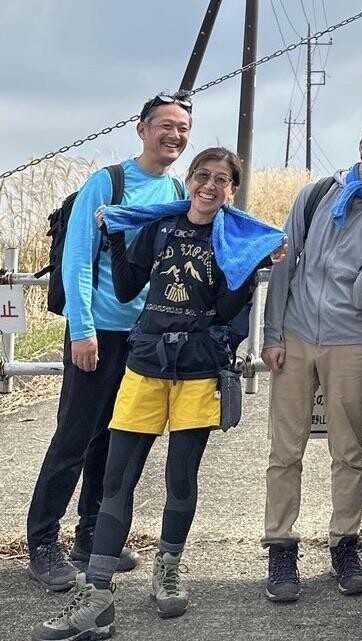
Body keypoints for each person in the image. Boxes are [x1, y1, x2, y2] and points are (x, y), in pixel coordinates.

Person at [32, 147, 286, 641]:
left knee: (181, 477)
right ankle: (98, 596)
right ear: (189, 180)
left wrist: (253, 268)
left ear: (233, 191)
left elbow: (228, 309)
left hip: (197, 370)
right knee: (116, 478)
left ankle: (168, 567)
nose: (210, 186)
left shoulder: (234, 241)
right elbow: (127, 290)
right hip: (145, 364)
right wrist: (116, 236)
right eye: (203, 176)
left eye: (222, 180)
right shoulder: (158, 227)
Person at [26, 92, 192, 591]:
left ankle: (91, 536)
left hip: (146, 338)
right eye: (165, 125)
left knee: (114, 437)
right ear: (142, 129)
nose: (175, 136)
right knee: (74, 438)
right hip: (98, 333)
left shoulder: (179, 188)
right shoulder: (109, 183)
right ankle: (42, 542)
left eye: (183, 128)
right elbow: (77, 259)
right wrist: (82, 330)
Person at [260, 115, 362, 601]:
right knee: (285, 450)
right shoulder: (314, 195)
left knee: (348, 451)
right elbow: (285, 265)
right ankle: (281, 548)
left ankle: (344, 544)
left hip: (350, 340)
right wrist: (272, 333)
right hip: (297, 332)